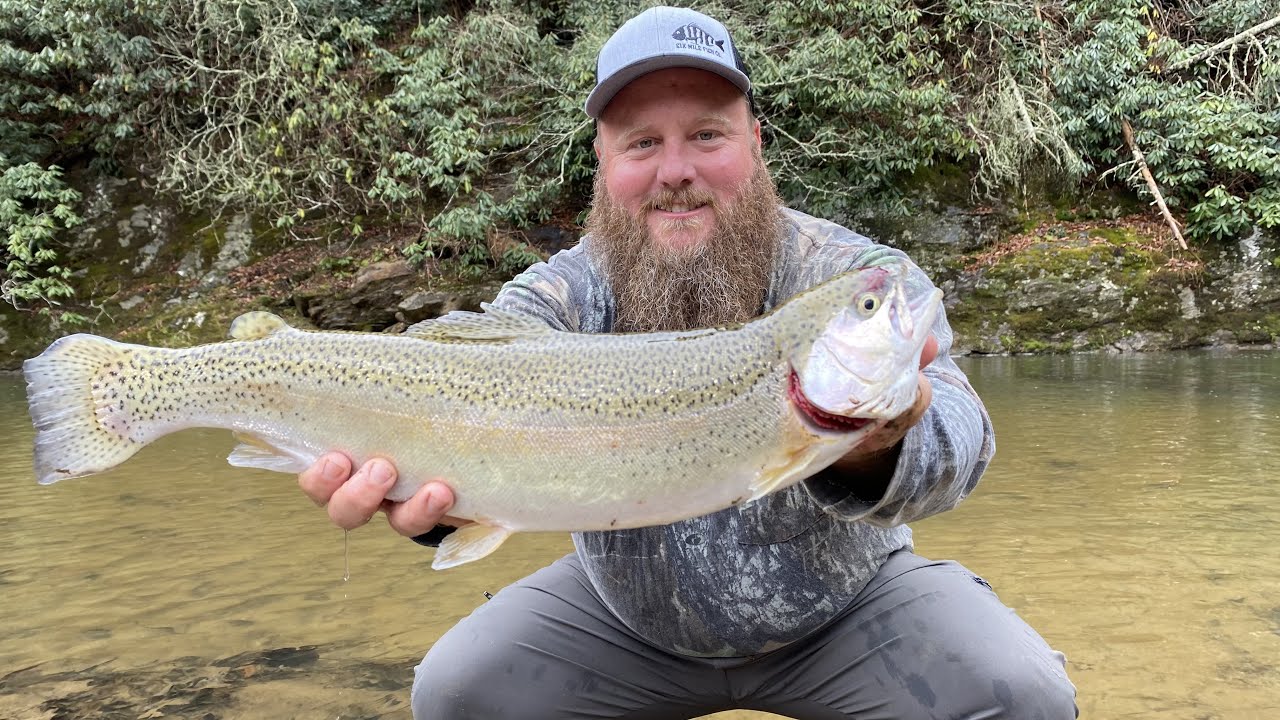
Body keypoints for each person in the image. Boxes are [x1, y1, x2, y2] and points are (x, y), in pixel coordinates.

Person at [299, 7, 1077, 718]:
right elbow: (461, 400)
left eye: (706, 134)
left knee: (1022, 696)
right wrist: (429, 509)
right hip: (623, 623)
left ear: (755, 144)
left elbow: (962, 439)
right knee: (458, 693)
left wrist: (881, 447)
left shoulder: (853, 279)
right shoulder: (557, 298)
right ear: (603, 162)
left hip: (847, 610)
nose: (676, 170)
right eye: (643, 143)